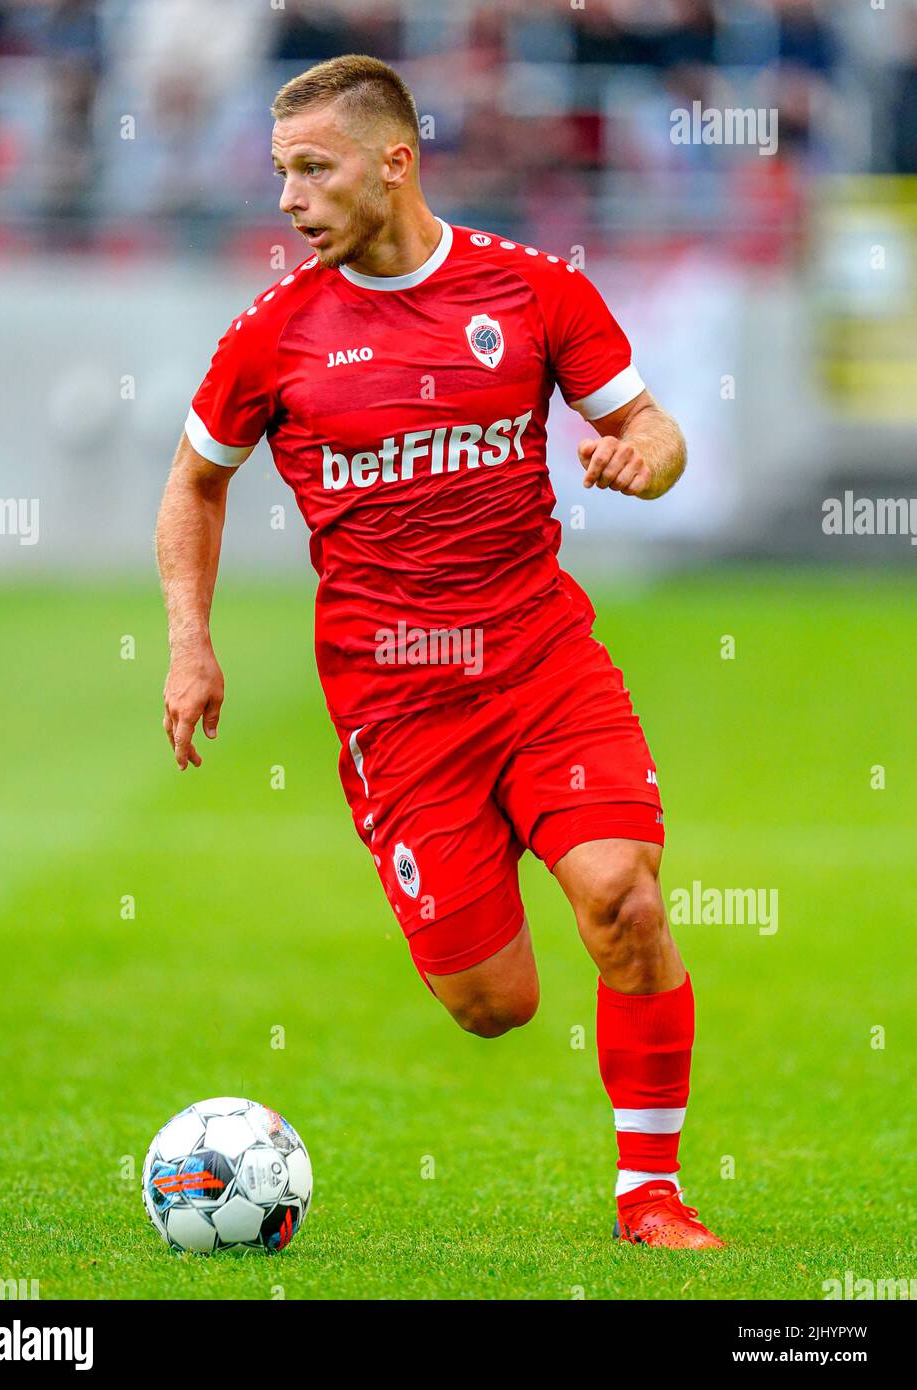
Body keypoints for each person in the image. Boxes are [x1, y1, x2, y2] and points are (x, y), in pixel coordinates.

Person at [156, 54, 723, 1249]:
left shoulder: (532, 290)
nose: (290, 199)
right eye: (281, 173)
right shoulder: (274, 335)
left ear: (395, 163)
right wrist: (189, 644)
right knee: (493, 1003)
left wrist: (646, 459)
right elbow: (195, 481)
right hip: (399, 711)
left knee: (623, 897)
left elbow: (652, 426)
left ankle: (651, 1195)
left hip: (542, 663)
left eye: (315, 170)